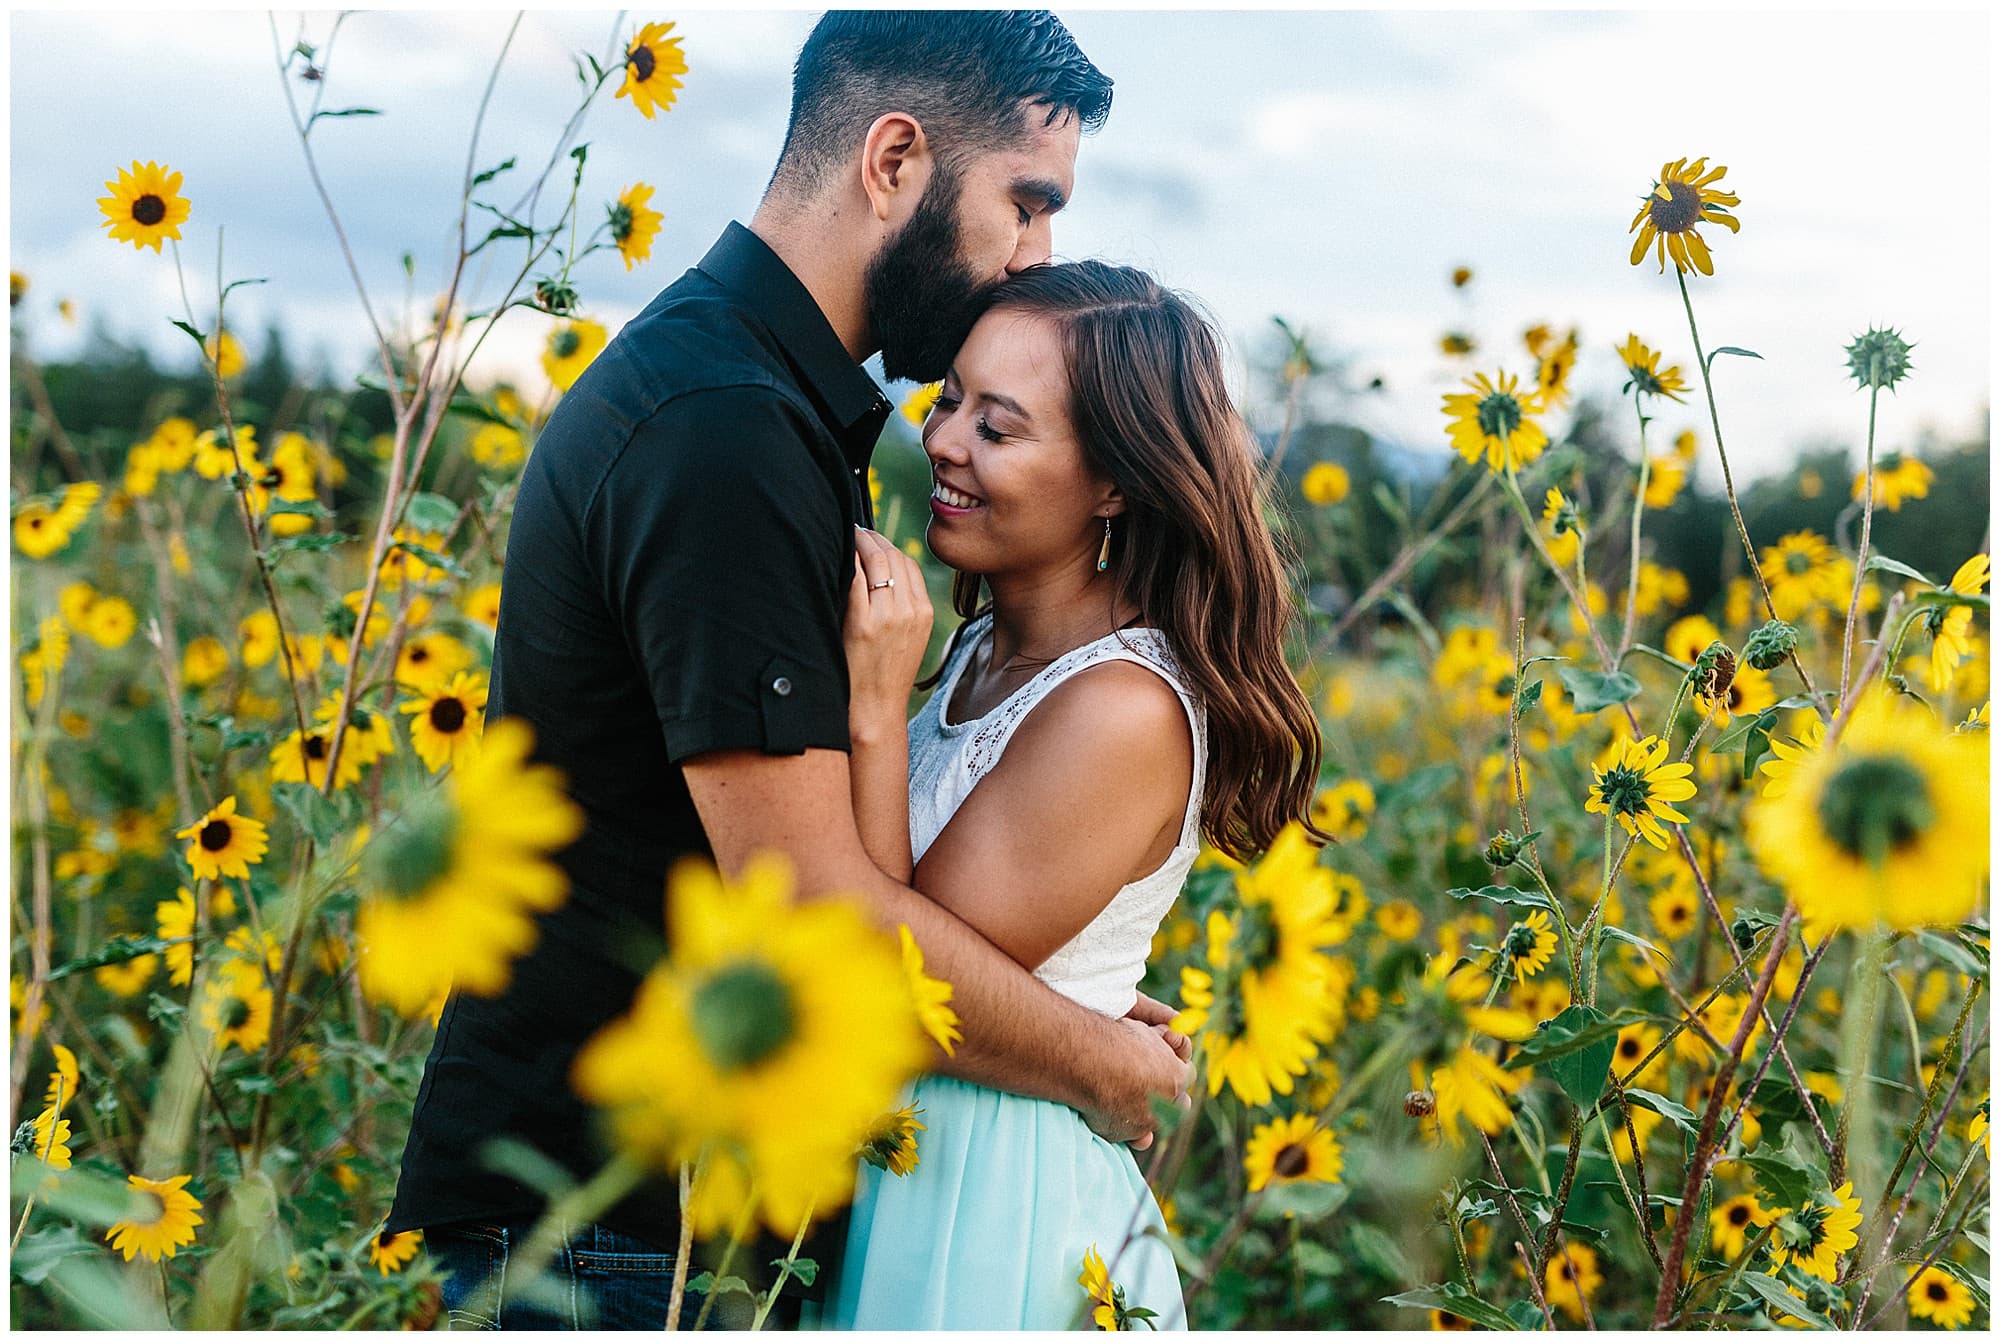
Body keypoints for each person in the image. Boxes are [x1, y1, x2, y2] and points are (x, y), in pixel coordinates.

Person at [383, 11, 1194, 1331]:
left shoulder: (747, 399)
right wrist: (1096, 1057)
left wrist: (1045, 997)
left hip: (640, 1215)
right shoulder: (728, 434)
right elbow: (815, 903)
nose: (1034, 255)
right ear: (895, 160)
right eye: (1024, 202)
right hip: (605, 1228)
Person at [807, 260, 1330, 1329]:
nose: (942, 440)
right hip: (896, 1158)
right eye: (949, 399)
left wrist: (874, 706)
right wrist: (1075, 1007)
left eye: (997, 427)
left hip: (988, 1199)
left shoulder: (1123, 708)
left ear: (1115, 481)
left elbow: (901, 983)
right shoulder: (981, 648)